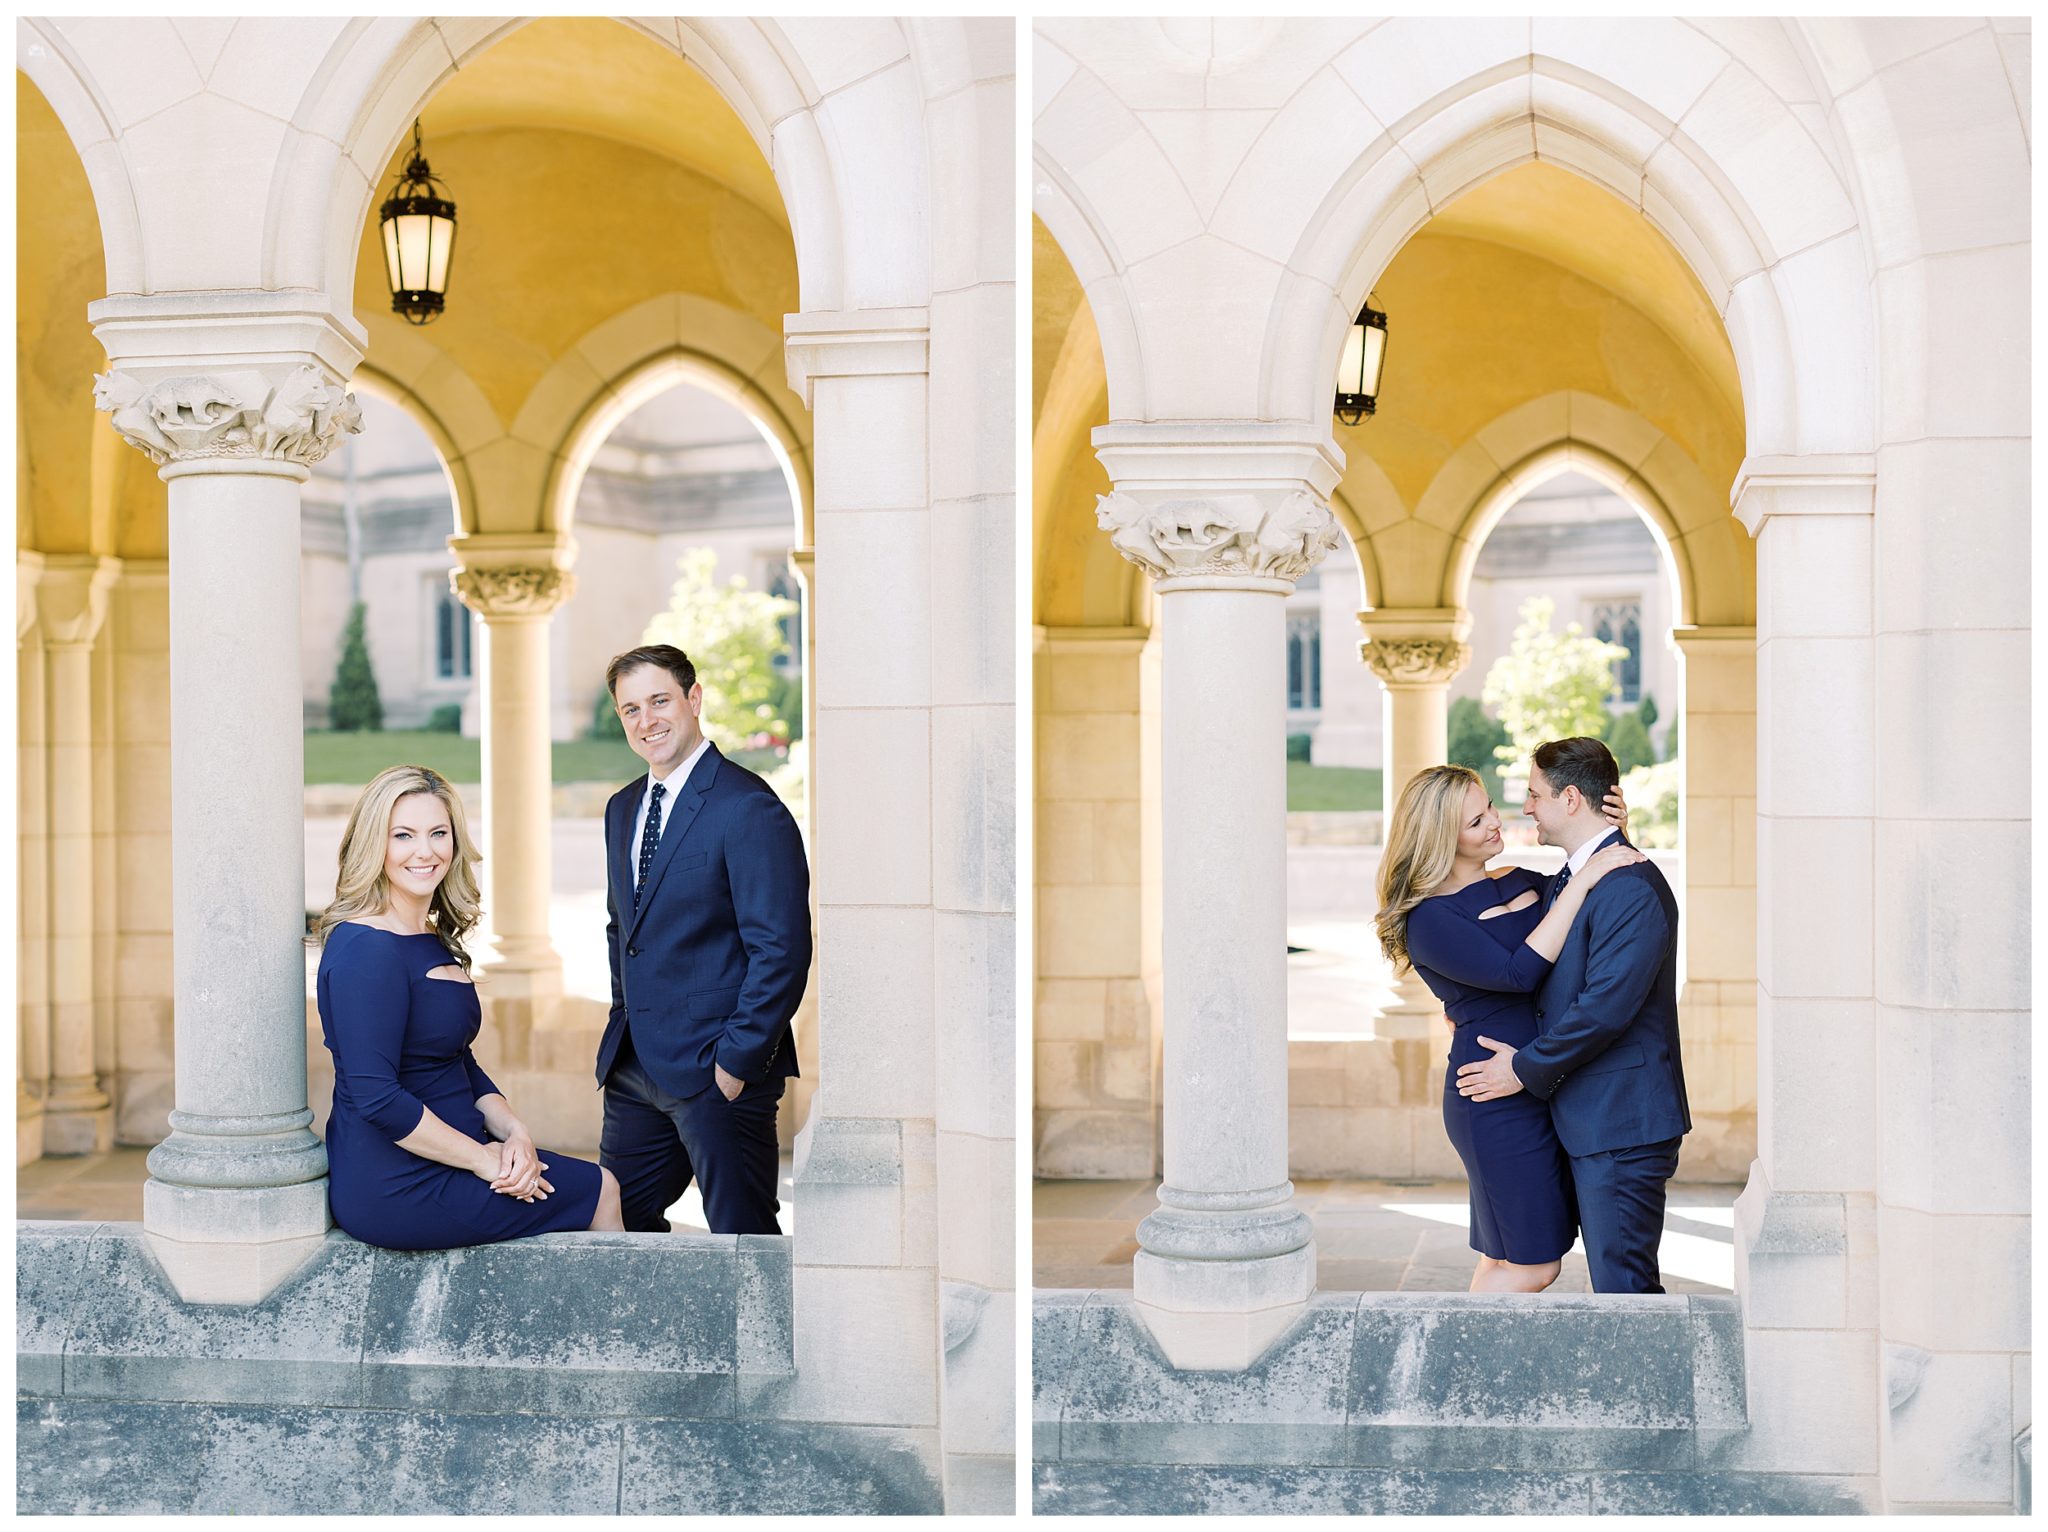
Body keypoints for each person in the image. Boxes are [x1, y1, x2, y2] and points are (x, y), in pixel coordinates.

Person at [315, 765, 622, 1249]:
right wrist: (486, 1160)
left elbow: (458, 1061)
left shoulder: (428, 937)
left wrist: (516, 1133)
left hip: (457, 1155)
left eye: (439, 833)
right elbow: (376, 1097)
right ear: (375, 844)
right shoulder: (366, 948)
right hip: (396, 1182)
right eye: (403, 836)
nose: (426, 851)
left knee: (587, 1184)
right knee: (601, 1190)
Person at [1377, 764, 1642, 1292]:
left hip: (1540, 1083)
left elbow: (1596, 902)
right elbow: (1518, 974)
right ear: (1440, 840)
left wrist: (1611, 834)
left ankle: (1466, 1369)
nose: (1497, 823)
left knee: (1504, 1258)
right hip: (1493, 1097)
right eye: (1478, 822)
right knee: (1536, 1263)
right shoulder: (1428, 920)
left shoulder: (1521, 880)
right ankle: (1450, 1362)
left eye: (1491, 807)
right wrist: (1582, 881)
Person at [1455, 736, 1690, 1294]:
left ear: (1570, 802)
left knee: (1625, 1290)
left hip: (1621, 1125)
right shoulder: (1574, 876)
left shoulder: (1629, 888)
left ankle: (1642, 1386)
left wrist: (1521, 1068)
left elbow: (1603, 1011)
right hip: (1586, 1119)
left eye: (1535, 794)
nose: (1525, 807)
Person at [597, 644, 812, 1235]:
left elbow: (782, 948)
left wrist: (736, 1063)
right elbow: (623, 930)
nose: (647, 721)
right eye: (631, 709)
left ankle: (768, 1335)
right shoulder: (622, 810)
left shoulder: (747, 807)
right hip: (635, 1068)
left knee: (742, 1239)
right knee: (615, 1222)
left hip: (718, 1071)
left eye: (659, 700)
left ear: (694, 700)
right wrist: (624, 1019)